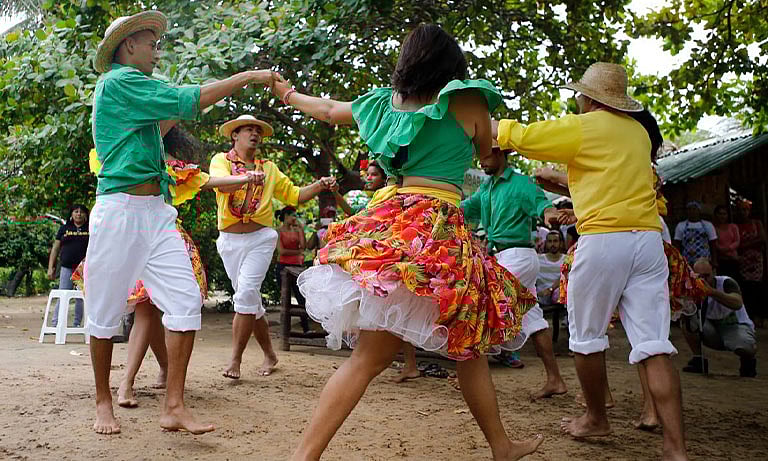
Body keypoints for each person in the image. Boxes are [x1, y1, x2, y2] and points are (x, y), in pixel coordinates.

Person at [273, 23, 543, 461]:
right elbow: (484, 150)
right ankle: (304, 455)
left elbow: (328, 109)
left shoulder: (384, 104)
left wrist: (287, 94)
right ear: (451, 64)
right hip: (440, 229)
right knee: (459, 346)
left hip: (395, 223)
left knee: (389, 356)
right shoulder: (469, 102)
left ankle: (501, 446)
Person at [87, 10, 277, 435]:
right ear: (128, 45)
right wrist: (247, 76)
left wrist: (185, 102)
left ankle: (174, 406)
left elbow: (169, 117)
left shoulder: (135, 98)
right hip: (120, 211)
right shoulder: (118, 82)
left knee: (186, 302)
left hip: (156, 213)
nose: (157, 51)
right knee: (104, 310)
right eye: (151, 44)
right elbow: (187, 100)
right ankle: (103, 401)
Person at [494, 62, 688, 459]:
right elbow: (610, 178)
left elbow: (518, 136)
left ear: (589, 98)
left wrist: (478, 119)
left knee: (585, 337)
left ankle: (596, 418)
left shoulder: (584, 126)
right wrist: (563, 182)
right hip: (648, 241)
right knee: (655, 344)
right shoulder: (637, 133)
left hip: (603, 240)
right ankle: (676, 448)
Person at [75, 133, 260, 408]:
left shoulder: (167, 162)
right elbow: (208, 181)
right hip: (132, 234)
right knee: (146, 313)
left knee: (159, 314)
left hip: (163, 237)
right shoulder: (124, 151)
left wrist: (245, 178)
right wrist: (246, 178)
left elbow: (207, 181)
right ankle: (131, 381)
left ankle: (144, 378)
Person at [211, 114, 336, 380]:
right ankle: (270, 354)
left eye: (258, 131)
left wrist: (319, 185)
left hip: (260, 238)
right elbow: (220, 184)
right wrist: (246, 179)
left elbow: (294, 195)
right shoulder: (221, 161)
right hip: (229, 240)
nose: (254, 134)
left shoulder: (269, 168)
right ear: (235, 135)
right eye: (248, 129)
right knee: (250, 300)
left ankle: (235, 360)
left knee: (246, 293)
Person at [462, 142, 566, 399]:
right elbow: (467, 207)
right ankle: (555, 380)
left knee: (480, 304)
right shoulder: (486, 187)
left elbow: (542, 204)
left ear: (500, 153)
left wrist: (549, 213)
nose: (480, 160)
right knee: (534, 320)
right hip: (509, 258)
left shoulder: (522, 183)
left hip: (517, 257)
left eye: (484, 154)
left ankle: (470, 376)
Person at [682, 258, 757, 377]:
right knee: (688, 321)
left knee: (745, 347)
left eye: (707, 276)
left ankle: (747, 361)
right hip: (711, 329)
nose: (703, 280)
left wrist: (711, 292)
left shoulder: (727, 282)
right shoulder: (691, 287)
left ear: (714, 272)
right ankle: (698, 359)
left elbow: (737, 303)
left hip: (734, 326)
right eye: (699, 276)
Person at [47, 204, 89, 327]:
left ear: (86, 214)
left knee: (81, 296)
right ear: (71, 214)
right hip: (66, 267)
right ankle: (56, 323)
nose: (79, 214)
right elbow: (55, 249)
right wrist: (51, 267)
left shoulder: (90, 228)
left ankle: (77, 324)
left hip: (83, 268)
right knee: (63, 293)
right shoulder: (64, 229)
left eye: (81, 212)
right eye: (76, 211)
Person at [275, 206, 310, 333]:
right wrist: (297, 252)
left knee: (301, 297)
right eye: (293, 215)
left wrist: (301, 230)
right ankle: (286, 329)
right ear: (286, 216)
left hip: (297, 266)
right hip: (283, 266)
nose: (295, 218)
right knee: (285, 298)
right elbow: (281, 251)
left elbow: (304, 246)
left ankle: (306, 328)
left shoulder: (297, 230)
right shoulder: (278, 232)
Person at [735, 199, 766, 325]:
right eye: (741, 210)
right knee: (746, 288)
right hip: (743, 260)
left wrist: (744, 245)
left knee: (757, 287)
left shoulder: (757, 223)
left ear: (749, 211)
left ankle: (759, 316)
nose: (743, 212)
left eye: (745, 210)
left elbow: (762, 239)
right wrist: (752, 243)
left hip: (756, 260)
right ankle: (749, 316)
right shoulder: (736, 226)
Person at [674, 201, 717, 267]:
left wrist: (714, 261)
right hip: (687, 262)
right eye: (689, 209)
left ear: (699, 211)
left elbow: (713, 244)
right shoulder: (681, 225)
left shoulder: (708, 225)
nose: (692, 211)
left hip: (705, 261)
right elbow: (677, 244)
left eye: (694, 209)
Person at [712, 205, 741, 281]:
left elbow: (737, 241)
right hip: (721, 260)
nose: (722, 216)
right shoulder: (713, 228)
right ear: (716, 215)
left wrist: (728, 248)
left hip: (733, 259)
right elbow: (715, 244)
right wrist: (724, 251)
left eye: (724, 214)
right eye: (720, 214)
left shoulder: (733, 227)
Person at [537, 230, 565, 306]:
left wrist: (551, 289)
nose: (552, 244)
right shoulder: (538, 260)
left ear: (560, 243)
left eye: (555, 241)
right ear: (546, 243)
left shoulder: (566, 260)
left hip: (561, 302)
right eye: (550, 241)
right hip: (541, 301)